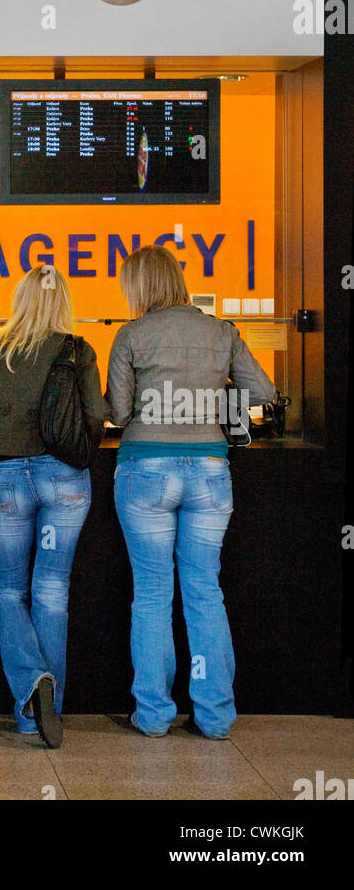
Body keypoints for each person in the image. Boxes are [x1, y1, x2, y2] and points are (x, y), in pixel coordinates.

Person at [106, 245, 276, 740]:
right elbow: (262, 392)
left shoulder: (132, 335)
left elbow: (118, 410)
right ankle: (215, 715)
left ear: (140, 287)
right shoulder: (221, 332)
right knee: (205, 592)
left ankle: (155, 714)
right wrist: (211, 399)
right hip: (209, 469)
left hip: (145, 470)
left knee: (153, 594)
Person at [0, 265, 109, 747]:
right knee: (52, 590)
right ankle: (49, 711)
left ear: (20, 297)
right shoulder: (76, 349)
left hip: (6, 478)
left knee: (7, 591)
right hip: (64, 478)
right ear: (62, 301)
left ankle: (31, 694)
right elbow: (96, 417)